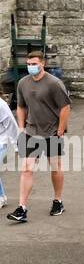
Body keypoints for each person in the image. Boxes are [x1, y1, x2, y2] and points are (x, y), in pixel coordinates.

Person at [6, 51, 71, 224]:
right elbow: (20, 107)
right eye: (28, 64)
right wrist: (21, 128)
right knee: (27, 169)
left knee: (55, 167)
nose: (31, 67)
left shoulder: (54, 83)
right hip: (30, 132)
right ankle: (22, 208)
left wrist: (60, 130)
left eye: (34, 63)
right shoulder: (22, 83)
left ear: (42, 63)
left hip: (51, 132)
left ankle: (58, 201)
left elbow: (65, 108)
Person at [0, 96, 18, 209]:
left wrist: (17, 146)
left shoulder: (1, 105)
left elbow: (11, 124)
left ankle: (1, 198)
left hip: (2, 142)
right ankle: (2, 196)